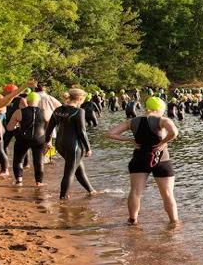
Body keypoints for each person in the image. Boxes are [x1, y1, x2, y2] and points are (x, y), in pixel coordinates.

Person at [106, 97, 179, 225]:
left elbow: (110, 133)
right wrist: (163, 142)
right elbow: (174, 132)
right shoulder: (162, 120)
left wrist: (130, 140)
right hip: (161, 159)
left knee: (135, 191)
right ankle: (174, 222)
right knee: (167, 193)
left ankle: (132, 219)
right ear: (160, 109)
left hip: (139, 158)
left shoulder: (132, 121)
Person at [45, 88, 96, 199]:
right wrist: (88, 148)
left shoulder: (58, 110)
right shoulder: (79, 111)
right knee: (69, 172)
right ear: (80, 99)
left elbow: (49, 129)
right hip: (74, 145)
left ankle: (91, 191)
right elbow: (82, 131)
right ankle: (63, 197)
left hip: (60, 144)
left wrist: (47, 142)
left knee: (78, 168)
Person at [4, 91, 48, 187]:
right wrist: (47, 137)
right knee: (39, 161)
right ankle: (39, 182)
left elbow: (9, 128)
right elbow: (49, 125)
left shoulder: (19, 112)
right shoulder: (44, 111)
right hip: (39, 138)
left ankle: (19, 181)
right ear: (38, 101)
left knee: (18, 160)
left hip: (23, 138)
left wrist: (17, 127)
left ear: (27, 101)